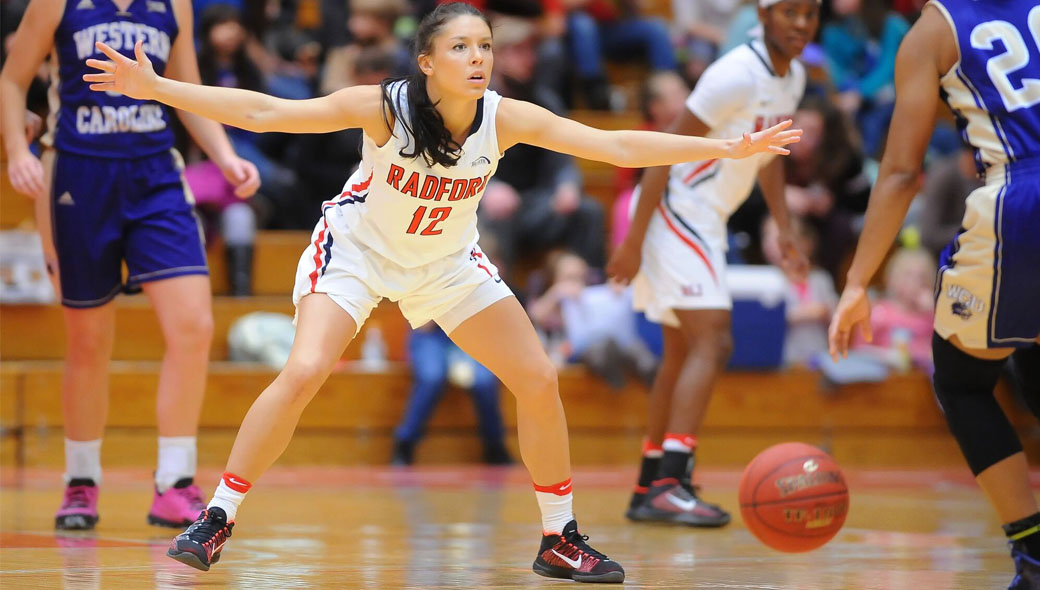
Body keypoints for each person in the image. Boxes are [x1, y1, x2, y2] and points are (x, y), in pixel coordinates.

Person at [83, 2, 799, 582]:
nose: (478, 58)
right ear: (426, 61)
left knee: (538, 376)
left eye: (484, 46)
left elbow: (613, 147)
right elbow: (268, 113)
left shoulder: (505, 117)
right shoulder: (384, 108)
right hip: (359, 253)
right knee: (304, 370)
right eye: (461, 47)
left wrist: (721, 149)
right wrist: (159, 88)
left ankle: (559, 538)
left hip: (448, 263)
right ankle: (217, 517)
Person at [0, 0, 260, 531]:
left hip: (156, 177)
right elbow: (11, 78)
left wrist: (223, 155)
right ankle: (81, 481)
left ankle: (175, 481)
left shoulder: (174, 5)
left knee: (194, 326)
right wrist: (17, 153)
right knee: (89, 339)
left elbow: (186, 89)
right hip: (77, 174)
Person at [827, 1, 1040, 587]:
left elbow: (899, 172)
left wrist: (857, 281)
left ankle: (1034, 554)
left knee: (962, 379)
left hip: (1021, 199)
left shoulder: (934, 30)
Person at [607, 0, 818, 527]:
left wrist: (785, 228)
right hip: (676, 204)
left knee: (681, 349)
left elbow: (768, 158)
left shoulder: (790, 79)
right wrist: (633, 240)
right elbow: (661, 148)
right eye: (790, 11)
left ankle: (649, 484)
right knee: (714, 339)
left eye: (811, 13)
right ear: (763, 15)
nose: (801, 22)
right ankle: (673, 481)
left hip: (703, 213)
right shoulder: (734, 74)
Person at [391, 322, 512, 466]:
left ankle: (495, 446)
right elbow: (422, 324)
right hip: (431, 335)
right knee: (432, 377)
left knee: (484, 380)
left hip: (469, 333)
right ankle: (405, 443)